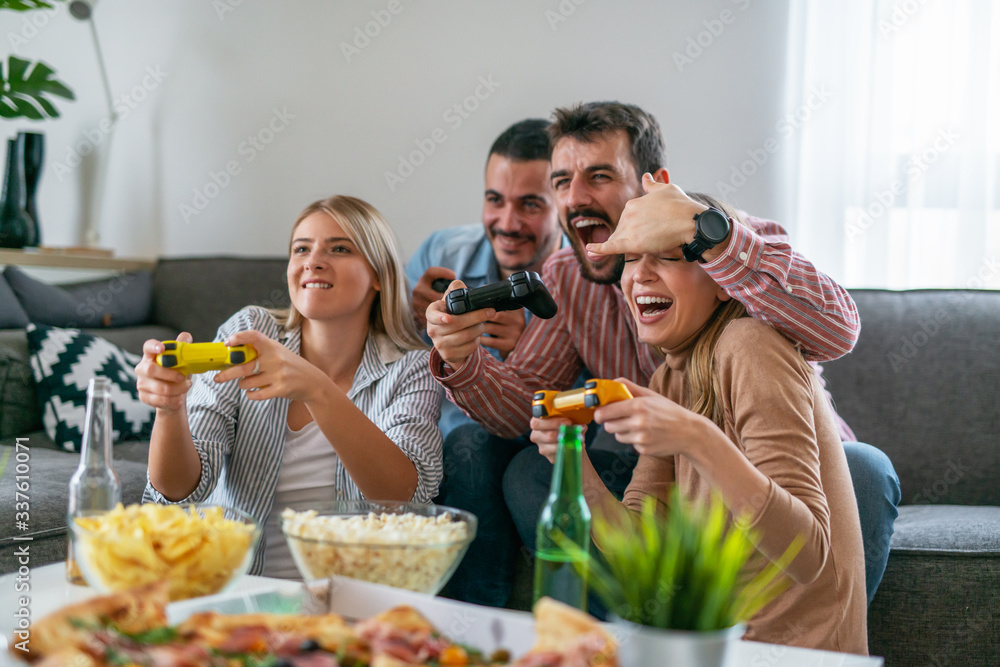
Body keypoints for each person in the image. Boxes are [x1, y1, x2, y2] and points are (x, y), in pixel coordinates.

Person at [425, 101, 900, 606]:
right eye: (561, 181)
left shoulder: (736, 238)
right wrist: (463, 359)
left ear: (654, 185)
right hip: (659, 468)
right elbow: (525, 405)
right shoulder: (566, 276)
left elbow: (839, 330)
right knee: (531, 471)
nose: (576, 197)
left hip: (776, 467)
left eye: (599, 176)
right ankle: (629, 633)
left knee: (865, 471)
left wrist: (712, 239)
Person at [530, 195, 868, 654]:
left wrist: (695, 437)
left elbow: (807, 555)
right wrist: (572, 460)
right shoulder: (669, 379)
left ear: (722, 281)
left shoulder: (751, 345)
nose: (640, 275)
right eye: (630, 258)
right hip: (716, 650)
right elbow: (640, 544)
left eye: (668, 257)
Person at [137, 195, 444, 577]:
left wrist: (318, 390)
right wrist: (170, 408)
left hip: (350, 595)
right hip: (238, 589)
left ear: (380, 274)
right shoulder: (249, 333)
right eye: (301, 249)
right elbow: (179, 490)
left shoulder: (413, 367)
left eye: (339, 248)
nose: (313, 261)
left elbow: (404, 501)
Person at [407, 119, 585, 607]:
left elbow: (605, 389)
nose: (507, 222)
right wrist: (409, 318)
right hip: (450, 438)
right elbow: (379, 350)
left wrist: (531, 349)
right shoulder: (442, 253)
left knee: (485, 451)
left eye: (531, 204)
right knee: (467, 444)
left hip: (537, 440)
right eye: (494, 200)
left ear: (561, 206)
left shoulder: (582, 277)